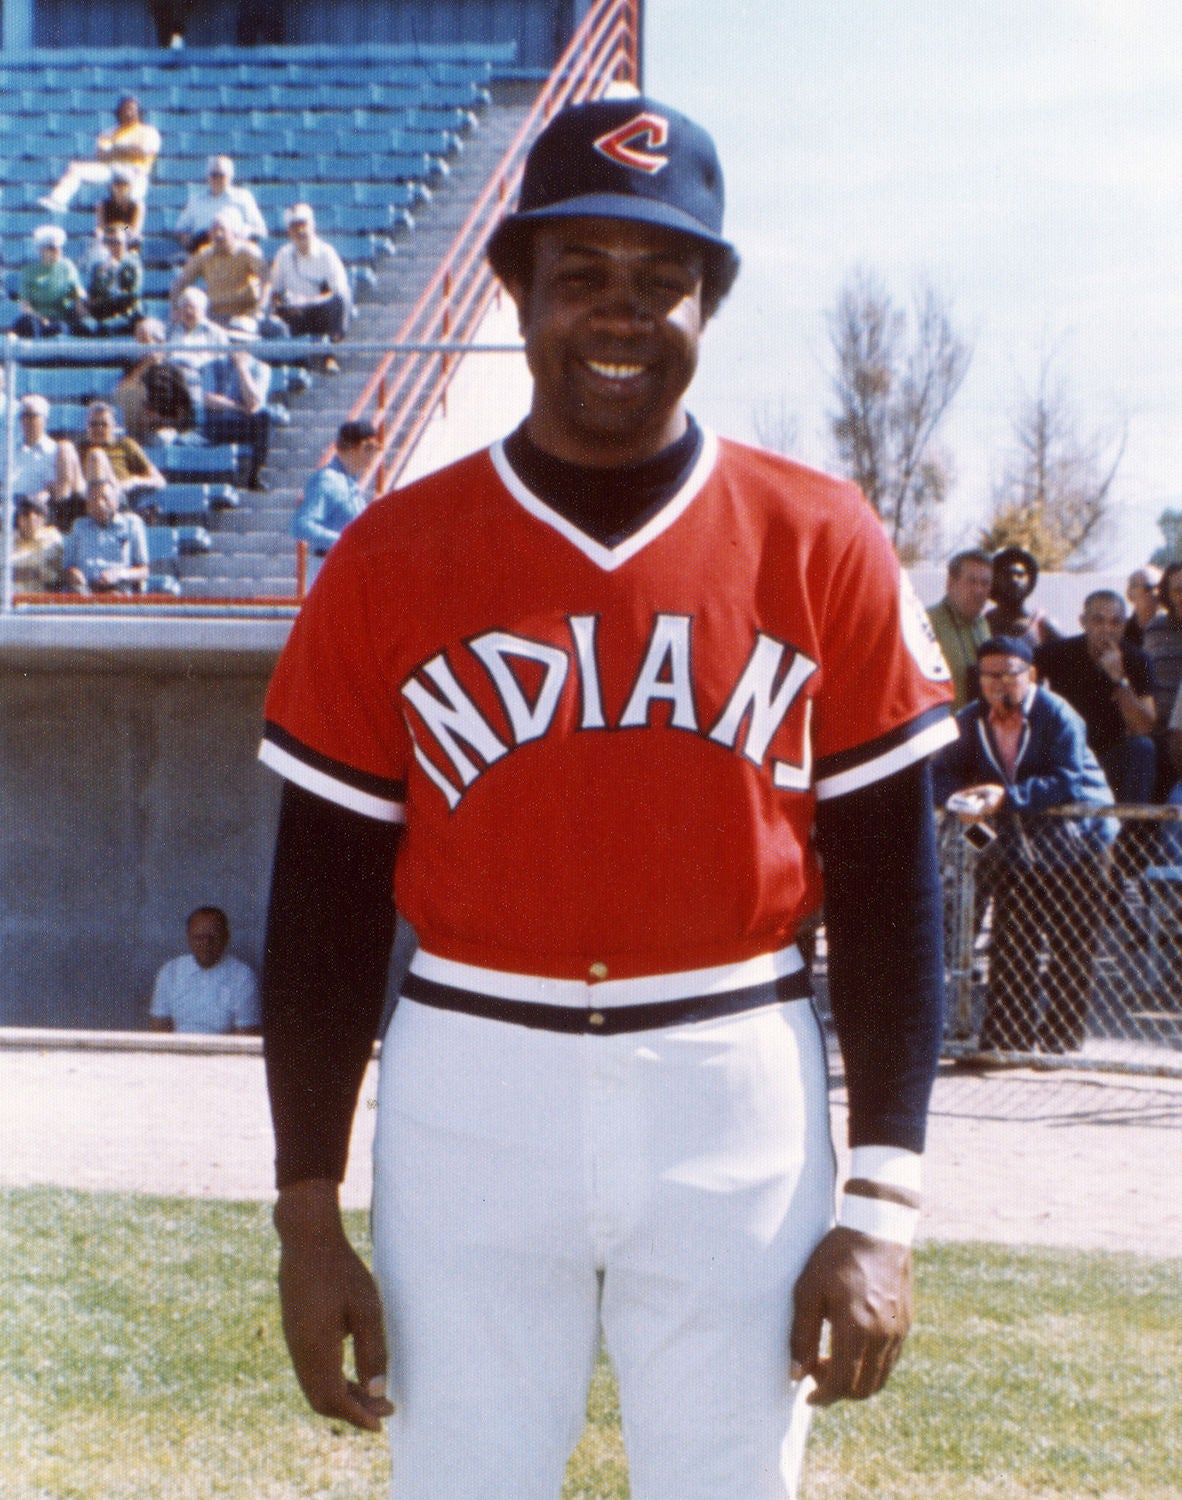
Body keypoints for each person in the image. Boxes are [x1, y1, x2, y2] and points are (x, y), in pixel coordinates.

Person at [257, 97, 956, 1500]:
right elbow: (322, 917)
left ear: (712, 301)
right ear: (514, 289)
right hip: (468, 1078)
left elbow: (891, 897)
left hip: (733, 1080)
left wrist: (880, 1205)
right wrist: (305, 1216)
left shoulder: (821, 536)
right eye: (580, 276)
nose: (620, 317)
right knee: (458, 1483)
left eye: (661, 282)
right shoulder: (391, 554)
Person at [933, 636, 1116, 1055]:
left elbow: (1067, 780)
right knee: (1013, 937)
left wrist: (1005, 798)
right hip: (1018, 844)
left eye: (1009, 674)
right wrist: (963, 799)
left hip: (1082, 840)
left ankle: (1060, 1045)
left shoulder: (1058, 715)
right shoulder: (970, 720)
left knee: (1072, 944)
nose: (999, 685)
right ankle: (1006, 1041)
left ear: (1030, 675)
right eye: (989, 676)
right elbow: (938, 775)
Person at [1033, 589, 1156, 805]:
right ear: (1084, 622)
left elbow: (1144, 727)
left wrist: (1120, 679)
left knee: (1143, 748)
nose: (1107, 630)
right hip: (1064, 753)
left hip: (1110, 756)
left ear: (1124, 625)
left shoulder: (1138, 660)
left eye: (1115, 622)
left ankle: (1130, 835)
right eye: (1098, 621)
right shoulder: (1055, 653)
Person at [148, 906, 260, 1035]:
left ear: (226, 937)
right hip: (177, 1052)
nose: (206, 943)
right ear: (188, 938)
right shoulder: (170, 972)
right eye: (198, 937)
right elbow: (158, 1032)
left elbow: (245, 1040)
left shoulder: (243, 977)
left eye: (212, 937)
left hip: (222, 1053)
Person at [39, 95, 161, 213]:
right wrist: (123, 150)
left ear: (139, 112)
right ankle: (58, 201)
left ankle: (128, 231)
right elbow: (101, 153)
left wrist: (117, 148)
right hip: (111, 168)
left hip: (135, 171)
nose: (128, 112)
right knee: (76, 168)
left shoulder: (148, 131)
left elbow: (143, 152)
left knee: (133, 201)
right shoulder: (110, 132)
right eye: (124, 109)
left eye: (132, 109)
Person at [289, 418, 379, 576]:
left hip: (348, 567)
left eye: (376, 448)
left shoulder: (350, 482)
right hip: (330, 567)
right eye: (369, 448)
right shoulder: (328, 480)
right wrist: (345, 541)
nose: (373, 454)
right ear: (350, 449)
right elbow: (300, 526)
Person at [265, 203, 351, 363]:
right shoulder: (284, 255)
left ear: (312, 226)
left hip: (320, 309)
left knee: (339, 301)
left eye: (303, 225)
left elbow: (338, 291)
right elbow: (275, 290)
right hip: (296, 314)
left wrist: (309, 302)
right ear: (288, 231)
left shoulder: (326, 253)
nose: (300, 231)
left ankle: (329, 354)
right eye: (294, 227)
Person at [170, 208, 269, 329]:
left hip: (246, 314)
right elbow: (180, 282)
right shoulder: (204, 255)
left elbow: (266, 280)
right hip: (214, 315)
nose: (218, 235)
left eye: (222, 230)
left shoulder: (247, 252)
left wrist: (260, 307)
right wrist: (176, 308)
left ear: (233, 233)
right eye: (214, 231)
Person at [200, 337, 273, 490]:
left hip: (244, 424)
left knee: (263, 418)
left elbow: (253, 404)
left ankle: (255, 475)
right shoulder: (213, 365)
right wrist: (239, 408)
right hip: (217, 424)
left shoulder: (261, 368)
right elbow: (209, 399)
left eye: (241, 342)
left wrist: (242, 368)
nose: (236, 347)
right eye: (233, 342)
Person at [926, 547, 994, 710]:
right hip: (944, 729)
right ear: (951, 583)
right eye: (971, 581)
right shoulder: (928, 622)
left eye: (985, 583)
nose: (978, 590)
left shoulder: (982, 624)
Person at [8, 394, 86, 531]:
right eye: (23, 416)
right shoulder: (10, 450)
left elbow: (60, 493)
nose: (27, 421)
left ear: (45, 420)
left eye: (32, 416)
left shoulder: (57, 451)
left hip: (39, 511)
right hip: (11, 506)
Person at [62, 475, 149, 594]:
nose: (100, 504)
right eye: (94, 499)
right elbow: (68, 567)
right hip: (85, 590)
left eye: (105, 498)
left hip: (118, 590)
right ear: (88, 505)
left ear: (116, 500)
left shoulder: (132, 524)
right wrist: (72, 573)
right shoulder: (79, 526)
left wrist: (119, 575)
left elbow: (144, 571)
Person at [77, 402, 166, 511]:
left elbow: (159, 480)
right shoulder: (79, 448)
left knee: (97, 456)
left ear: (113, 426)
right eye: (93, 424)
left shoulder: (125, 445)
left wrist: (134, 481)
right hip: (86, 500)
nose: (98, 428)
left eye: (104, 424)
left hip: (118, 498)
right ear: (87, 426)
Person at [174, 156, 268, 254]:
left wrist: (243, 232)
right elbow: (180, 230)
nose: (217, 179)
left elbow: (261, 230)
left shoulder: (243, 197)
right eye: (214, 175)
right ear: (207, 176)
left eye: (221, 175)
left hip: (235, 253)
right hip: (204, 252)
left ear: (230, 176)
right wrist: (189, 243)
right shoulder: (196, 200)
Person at [13, 225, 86, 338]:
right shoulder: (29, 272)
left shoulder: (67, 268)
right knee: (26, 325)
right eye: (52, 248)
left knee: (63, 328)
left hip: (61, 319)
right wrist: (42, 319)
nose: (57, 251)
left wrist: (81, 307)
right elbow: (25, 305)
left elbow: (77, 295)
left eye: (59, 247)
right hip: (37, 319)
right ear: (42, 250)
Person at [985, 545, 1060, 646]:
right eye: (1007, 574)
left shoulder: (1041, 626)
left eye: (1020, 575)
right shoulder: (981, 624)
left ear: (1029, 582)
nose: (1014, 580)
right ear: (995, 581)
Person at [77, 225, 144, 336]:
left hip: (125, 309)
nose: (112, 246)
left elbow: (132, 295)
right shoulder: (99, 265)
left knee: (135, 313)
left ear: (125, 243)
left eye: (117, 242)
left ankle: (104, 328)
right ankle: (97, 327)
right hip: (105, 309)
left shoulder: (132, 264)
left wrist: (114, 272)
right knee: (79, 306)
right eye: (108, 242)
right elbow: (94, 292)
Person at [11, 495, 65, 594]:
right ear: (18, 518)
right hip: (7, 600)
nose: (32, 518)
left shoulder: (52, 539)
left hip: (40, 600)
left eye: (37, 513)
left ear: (44, 518)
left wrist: (33, 573)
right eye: (26, 513)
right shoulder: (6, 541)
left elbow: (58, 575)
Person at [1123, 566, 1163, 649]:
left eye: (1161, 588)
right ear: (1130, 594)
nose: (1156, 593)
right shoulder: (1120, 631)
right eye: (1149, 588)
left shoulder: (1175, 630)